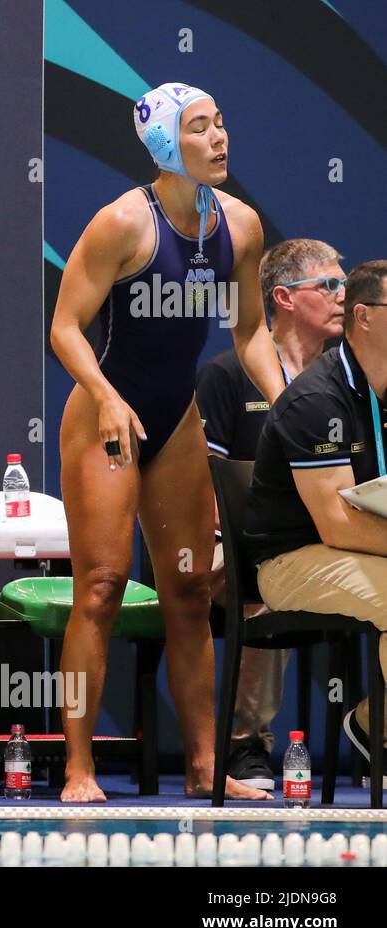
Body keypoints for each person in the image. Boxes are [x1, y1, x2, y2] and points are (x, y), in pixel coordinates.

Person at [48, 83, 285, 802]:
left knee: (187, 589)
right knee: (100, 588)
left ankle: (207, 768)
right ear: (163, 145)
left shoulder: (240, 225)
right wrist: (106, 396)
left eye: (221, 124)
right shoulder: (123, 223)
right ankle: (79, 767)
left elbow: (249, 333)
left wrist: (286, 400)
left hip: (175, 420)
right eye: (201, 128)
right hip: (105, 420)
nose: (220, 138)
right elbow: (64, 327)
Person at [198, 239, 345, 789]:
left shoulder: (345, 383)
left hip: (324, 539)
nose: (341, 297)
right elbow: (201, 489)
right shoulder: (226, 375)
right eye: (327, 286)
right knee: (259, 579)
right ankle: (246, 746)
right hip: (228, 545)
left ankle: (371, 730)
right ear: (283, 297)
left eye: (344, 284)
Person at [245, 261, 387, 782]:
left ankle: (375, 725)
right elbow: (336, 526)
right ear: (365, 317)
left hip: (363, 550)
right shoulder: (316, 399)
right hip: (293, 559)